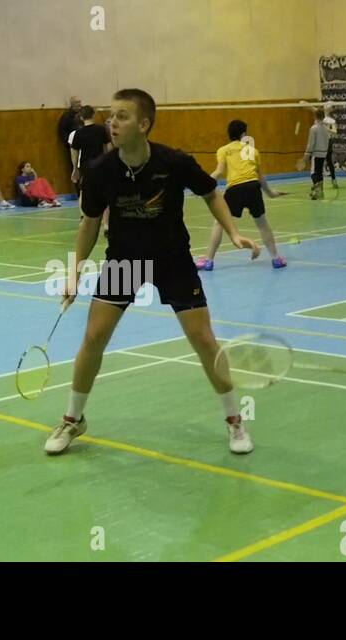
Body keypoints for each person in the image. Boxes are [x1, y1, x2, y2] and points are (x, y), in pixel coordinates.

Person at [44, 88, 262, 456]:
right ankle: (72, 419)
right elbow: (90, 224)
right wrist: (74, 271)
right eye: (111, 115)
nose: (112, 122)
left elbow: (210, 192)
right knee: (94, 337)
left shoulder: (173, 162)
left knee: (205, 341)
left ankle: (234, 421)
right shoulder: (101, 172)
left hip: (172, 258)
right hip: (125, 260)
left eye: (122, 116)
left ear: (144, 124)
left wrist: (234, 232)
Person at [195, 119, 288, 271]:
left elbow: (219, 172)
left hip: (235, 190)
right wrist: (271, 193)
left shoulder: (223, 150)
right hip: (253, 188)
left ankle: (208, 261)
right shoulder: (253, 151)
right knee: (262, 223)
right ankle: (276, 259)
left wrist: (199, 184)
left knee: (219, 222)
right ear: (244, 134)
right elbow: (260, 177)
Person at [70, 105, 113, 233]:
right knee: (105, 194)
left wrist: (75, 169)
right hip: (100, 165)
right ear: (93, 115)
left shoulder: (78, 134)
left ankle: (84, 219)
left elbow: (74, 153)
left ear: (81, 117)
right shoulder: (101, 130)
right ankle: (106, 225)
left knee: (84, 193)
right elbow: (109, 147)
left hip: (86, 167)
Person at [299, 109, 330, 200]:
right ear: (323, 117)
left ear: (315, 117)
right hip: (324, 153)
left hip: (316, 154)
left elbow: (311, 143)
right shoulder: (326, 128)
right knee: (319, 172)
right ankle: (320, 191)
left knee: (313, 173)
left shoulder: (313, 128)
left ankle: (317, 190)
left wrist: (306, 154)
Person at [58, 96, 84, 173]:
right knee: (75, 168)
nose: (79, 104)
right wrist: (69, 143)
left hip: (85, 145)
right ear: (72, 104)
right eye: (77, 102)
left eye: (80, 102)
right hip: (74, 147)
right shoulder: (66, 116)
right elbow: (62, 131)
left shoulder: (84, 114)